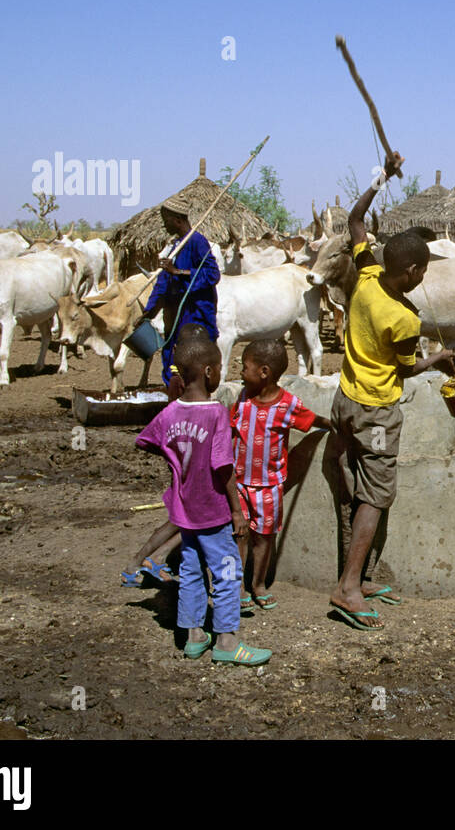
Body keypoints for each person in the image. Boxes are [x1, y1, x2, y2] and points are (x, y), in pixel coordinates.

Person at [330, 151, 455, 630]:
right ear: (410, 273)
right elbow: (407, 370)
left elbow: (356, 218)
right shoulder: (404, 319)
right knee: (377, 496)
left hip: (344, 399)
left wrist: (381, 175)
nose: (422, 278)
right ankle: (347, 587)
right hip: (376, 414)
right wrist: (440, 360)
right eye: (422, 271)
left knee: (355, 486)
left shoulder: (364, 274)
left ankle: (356, 576)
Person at [134, 334, 271, 665]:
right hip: (213, 510)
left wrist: (177, 460)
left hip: (184, 511)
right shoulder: (215, 414)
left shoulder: (170, 413)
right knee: (226, 572)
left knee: (192, 572)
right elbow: (223, 467)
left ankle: (194, 636)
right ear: (209, 372)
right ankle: (226, 642)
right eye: (221, 368)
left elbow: (146, 441)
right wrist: (237, 511)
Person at [231, 338, 331, 611]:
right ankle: (237, 586)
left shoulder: (287, 405)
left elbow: (312, 421)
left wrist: (335, 427)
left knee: (264, 536)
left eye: (244, 367)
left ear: (264, 372)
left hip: (269, 486)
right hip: (238, 483)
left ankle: (258, 583)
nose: (240, 373)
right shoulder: (241, 399)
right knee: (238, 535)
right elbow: (230, 431)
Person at [119, 324, 212, 587]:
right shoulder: (185, 387)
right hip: (190, 467)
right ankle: (146, 560)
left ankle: (144, 562)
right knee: (188, 519)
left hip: (184, 463)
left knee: (181, 520)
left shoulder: (178, 381)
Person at [141, 195, 220, 386]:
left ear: (177, 220)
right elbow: (164, 282)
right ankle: (174, 397)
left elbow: (212, 274)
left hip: (194, 316)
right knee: (172, 362)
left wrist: (178, 271)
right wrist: (149, 311)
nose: (164, 226)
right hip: (175, 318)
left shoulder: (197, 242)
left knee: (194, 362)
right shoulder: (175, 246)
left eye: (166, 221)